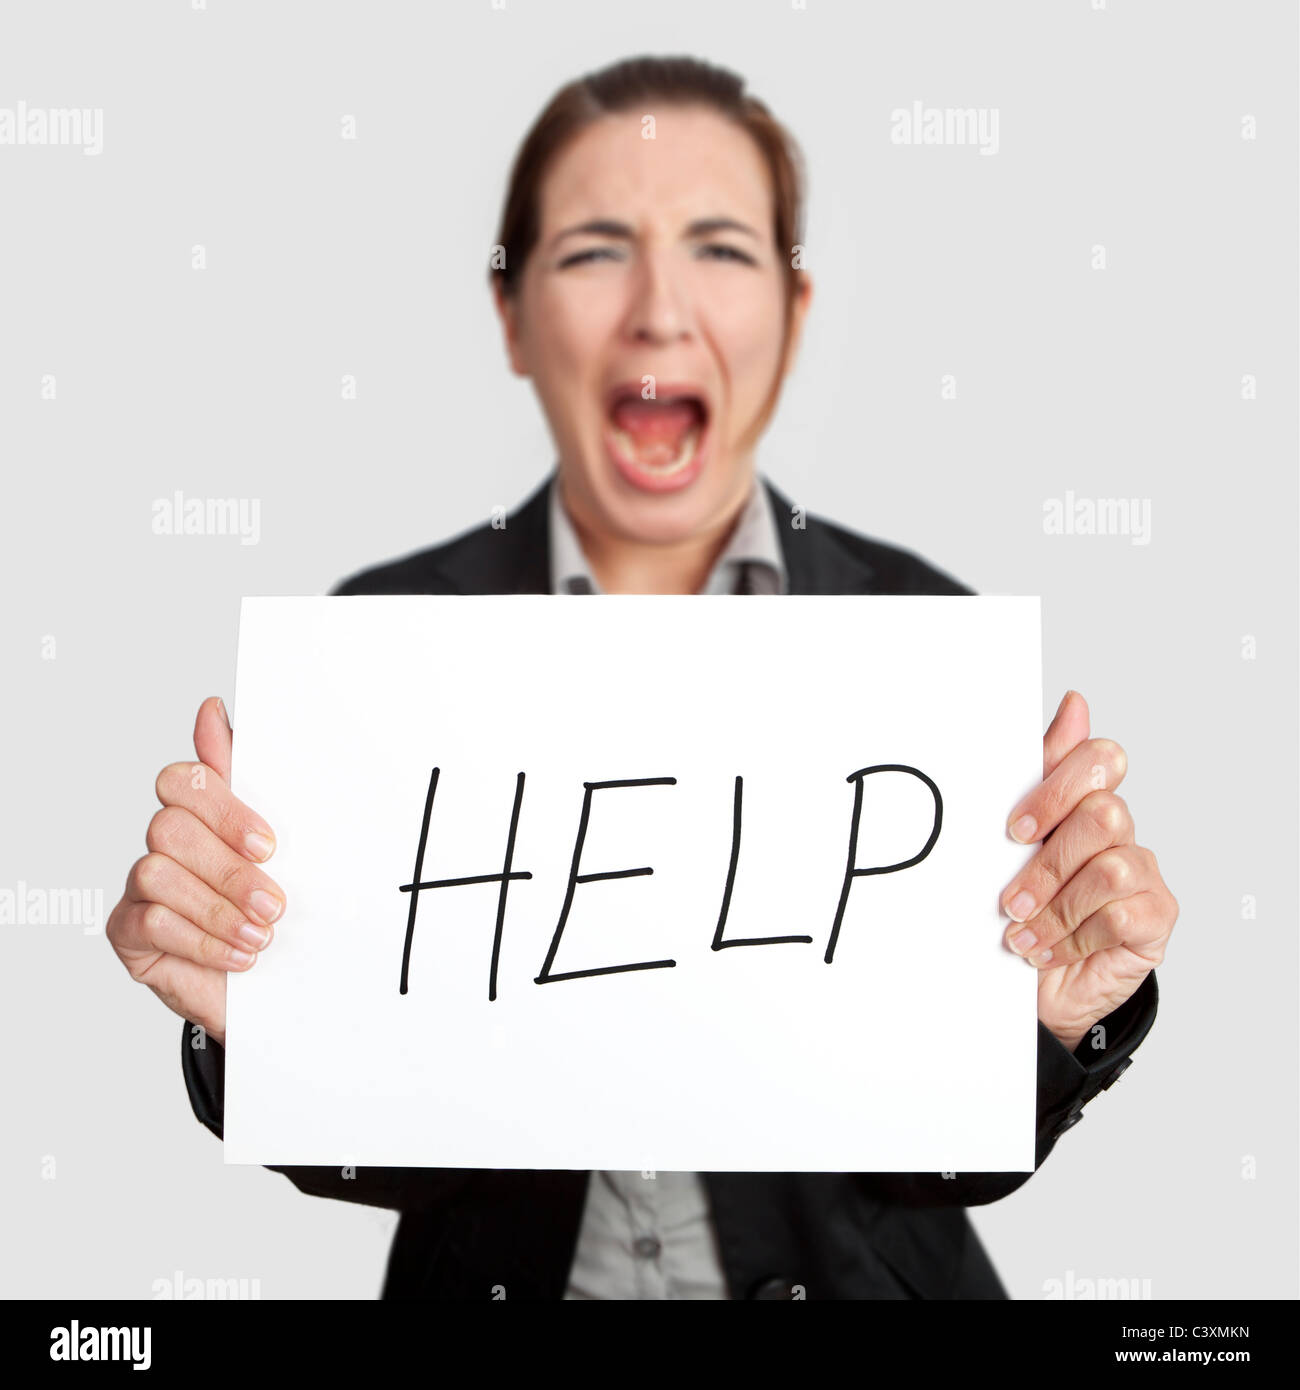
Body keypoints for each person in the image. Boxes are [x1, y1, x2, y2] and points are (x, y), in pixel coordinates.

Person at [106, 54, 1179, 1300]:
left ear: (792, 310)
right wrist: (251, 1012)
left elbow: (949, 1167)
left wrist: (1053, 1021)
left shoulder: (921, 638)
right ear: (511, 316)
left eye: (720, 249)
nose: (659, 310)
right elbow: (378, 1148)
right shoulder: (382, 649)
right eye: (593, 250)